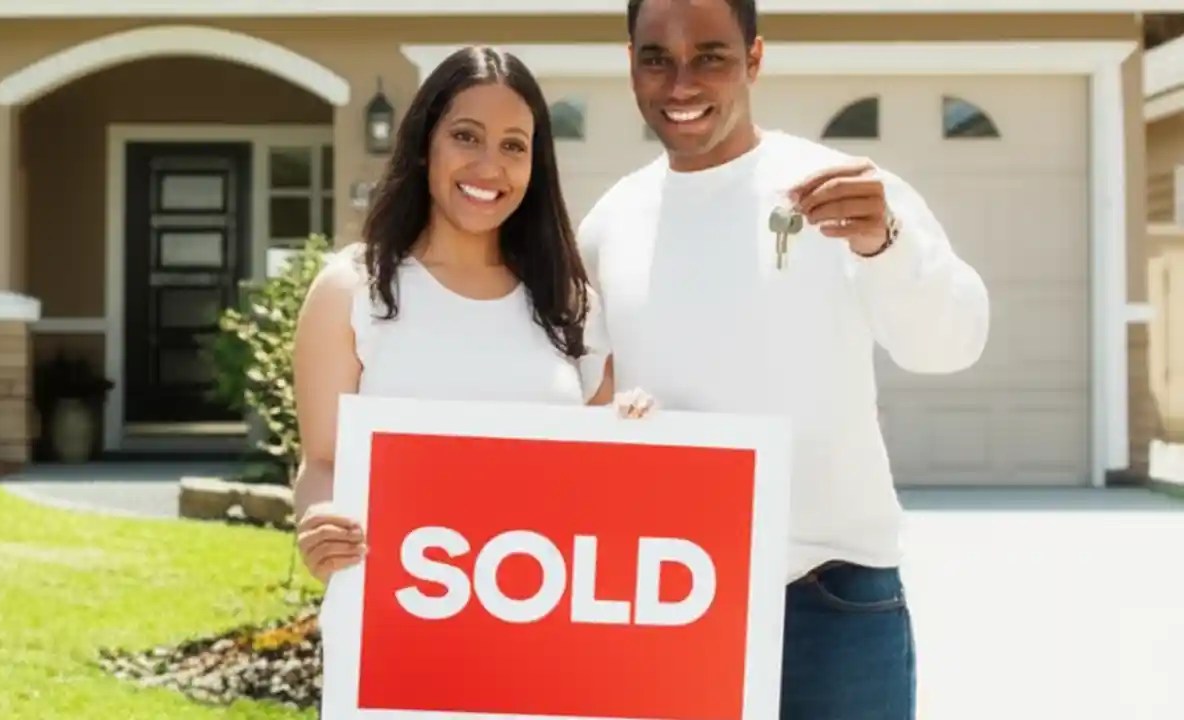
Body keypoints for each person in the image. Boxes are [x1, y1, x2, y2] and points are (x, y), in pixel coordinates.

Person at [576, 1, 990, 718]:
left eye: (711, 55)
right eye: (656, 58)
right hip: (669, 599)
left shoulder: (843, 190)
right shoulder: (611, 221)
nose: (681, 84)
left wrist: (886, 245)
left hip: (833, 599)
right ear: (630, 66)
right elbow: (580, 392)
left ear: (755, 59)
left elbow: (951, 344)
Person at [290, 46, 653, 585]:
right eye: (466, 136)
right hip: (398, 616)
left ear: (535, 166)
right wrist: (317, 522)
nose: (489, 165)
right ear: (423, 146)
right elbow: (322, 462)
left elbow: (599, 477)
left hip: (537, 619)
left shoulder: (570, 306)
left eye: (513, 146)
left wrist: (632, 426)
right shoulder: (352, 290)